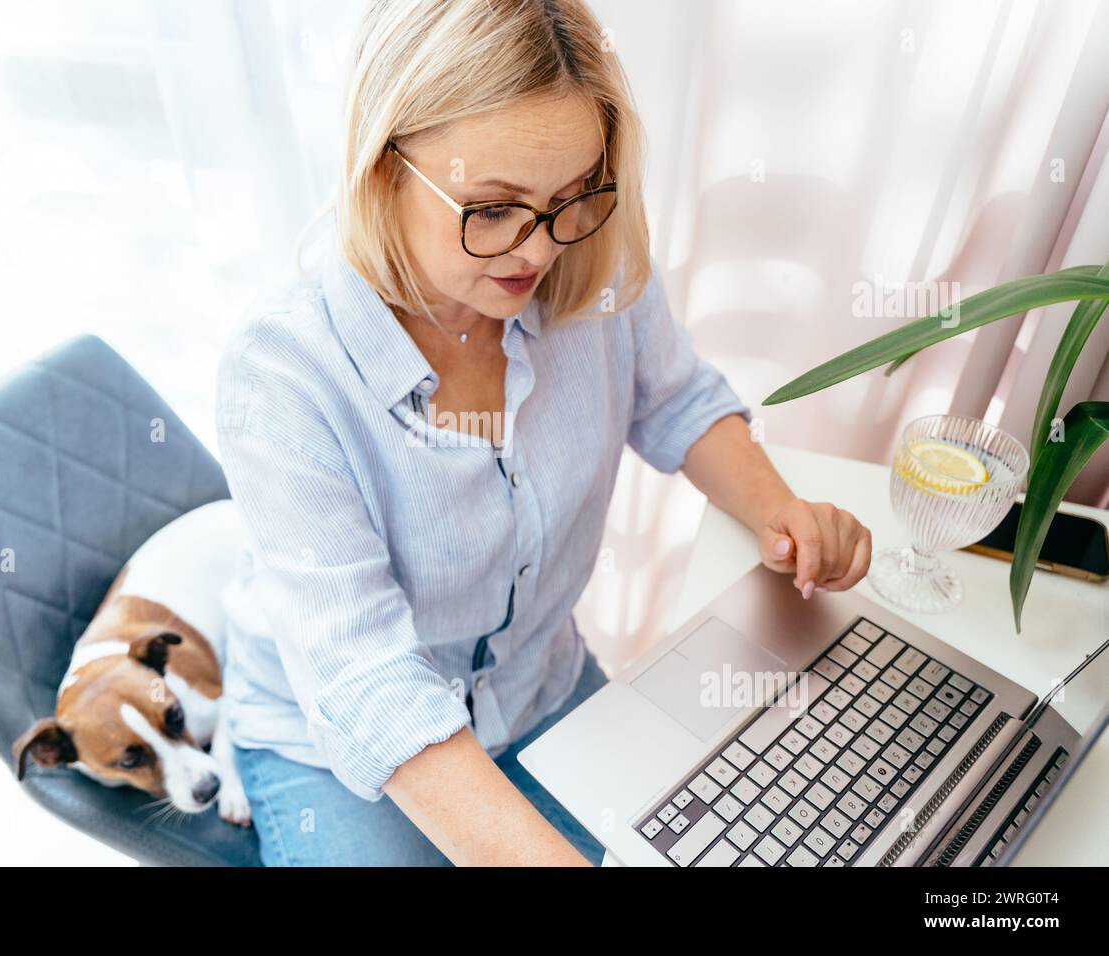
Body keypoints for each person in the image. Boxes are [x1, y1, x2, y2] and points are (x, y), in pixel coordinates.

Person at [214, 0, 872, 866]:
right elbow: (368, 682)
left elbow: (675, 402)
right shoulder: (284, 374)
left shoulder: (593, 276)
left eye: (572, 199)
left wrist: (780, 508)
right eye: (492, 209)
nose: (538, 251)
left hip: (537, 690)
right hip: (339, 748)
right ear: (381, 168)